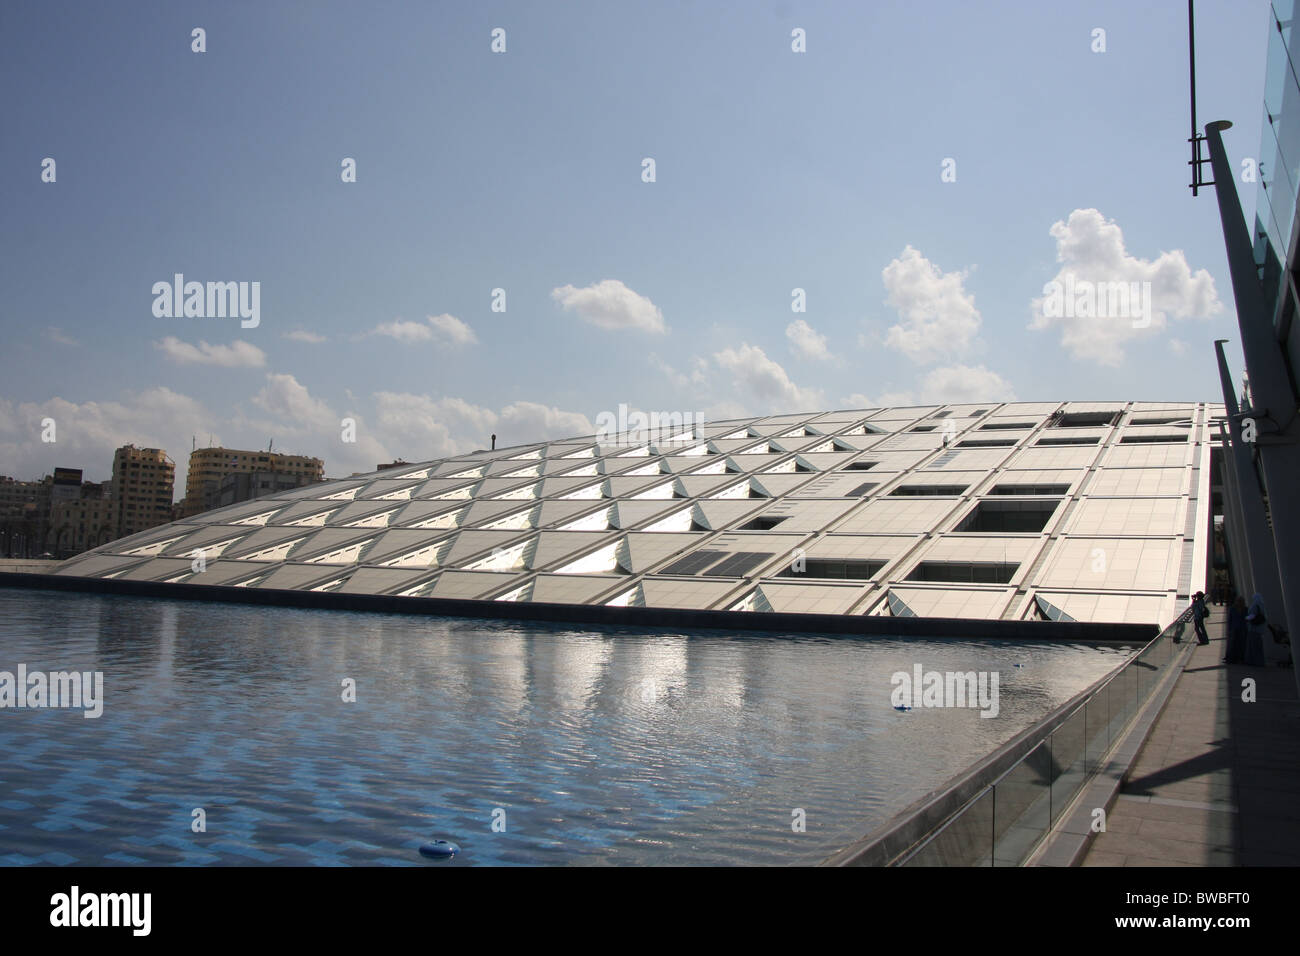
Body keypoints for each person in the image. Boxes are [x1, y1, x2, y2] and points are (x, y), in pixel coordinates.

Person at [1245, 592, 1268, 667]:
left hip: (1253, 628)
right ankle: (1259, 661)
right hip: (1260, 628)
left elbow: (1252, 615)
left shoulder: (1255, 605)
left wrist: (1246, 618)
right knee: (1258, 646)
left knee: (1253, 645)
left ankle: (1254, 661)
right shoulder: (1262, 605)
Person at [1224, 595, 1247, 664]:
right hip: (1239, 628)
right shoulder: (1243, 609)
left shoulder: (1234, 609)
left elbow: (1230, 619)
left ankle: (1234, 658)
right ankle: (1236, 658)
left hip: (1237, 628)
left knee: (1235, 644)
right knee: (1237, 644)